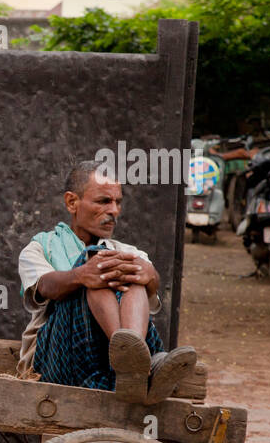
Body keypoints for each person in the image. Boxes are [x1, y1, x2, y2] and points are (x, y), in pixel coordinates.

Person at [17, 160, 198, 405]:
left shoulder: (127, 251)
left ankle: (132, 361)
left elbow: (146, 281)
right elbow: (46, 287)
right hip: (59, 364)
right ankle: (133, 360)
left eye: (118, 202)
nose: (113, 210)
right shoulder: (41, 247)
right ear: (72, 202)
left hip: (106, 369)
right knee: (95, 260)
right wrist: (82, 274)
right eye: (103, 201)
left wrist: (150, 276)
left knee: (130, 268)